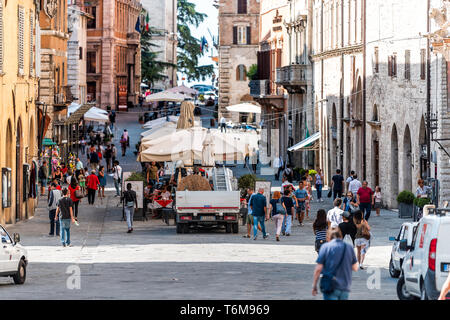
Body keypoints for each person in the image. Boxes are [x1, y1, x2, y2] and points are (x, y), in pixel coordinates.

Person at [312, 228, 358, 300]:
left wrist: (314, 285)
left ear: (328, 237)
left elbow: (318, 269)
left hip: (330, 285)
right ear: (341, 236)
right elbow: (355, 267)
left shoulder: (325, 247)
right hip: (345, 286)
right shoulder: (349, 247)